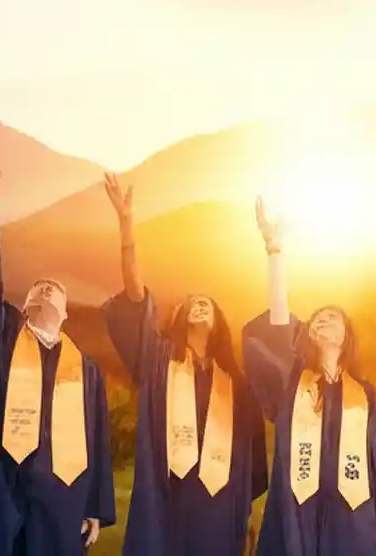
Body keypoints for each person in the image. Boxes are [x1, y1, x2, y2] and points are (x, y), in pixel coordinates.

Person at [0, 153, 115, 555]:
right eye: (37, 287)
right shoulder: (3, 339)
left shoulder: (84, 370)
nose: (46, 289)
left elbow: (96, 438)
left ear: (65, 313)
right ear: (24, 304)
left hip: (60, 495)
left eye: (55, 289)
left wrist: (94, 505)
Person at [100, 173, 268, 555]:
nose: (199, 304)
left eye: (207, 302)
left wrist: (244, 501)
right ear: (177, 317)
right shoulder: (159, 358)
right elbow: (133, 295)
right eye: (191, 302)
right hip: (167, 490)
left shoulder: (235, 381)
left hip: (219, 496)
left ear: (220, 321)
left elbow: (251, 451)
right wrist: (127, 227)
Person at [242, 197, 376, 556]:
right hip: (296, 509)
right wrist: (275, 254)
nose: (321, 319)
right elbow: (279, 322)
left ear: (347, 336)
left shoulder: (364, 394)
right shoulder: (293, 381)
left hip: (353, 514)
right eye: (317, 317)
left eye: (332, 317)